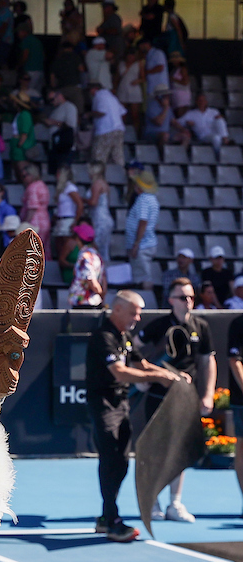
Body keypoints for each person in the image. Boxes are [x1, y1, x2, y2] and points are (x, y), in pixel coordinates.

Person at [87, 291, 186, 541]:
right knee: (111, 459)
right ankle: (111, 519)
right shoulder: (104, 336)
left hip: (121, 404)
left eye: (139, 312)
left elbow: (142, 364)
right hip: (103, 404)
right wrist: (159, 377)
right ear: (117, 310)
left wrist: (172, 375)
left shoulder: (124, 336)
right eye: (134, 312)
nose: (138, 318)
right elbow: (120, 372)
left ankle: (105, 516)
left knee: (121, 461)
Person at [138, 277, 217, 522]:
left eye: (192, 297)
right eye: (183, 297)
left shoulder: (201, 326)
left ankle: (175, 503)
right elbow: (134, 352)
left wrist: (207, 394)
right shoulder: (158, 325)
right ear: (171, 300)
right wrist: (148, 375)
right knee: (156, 450)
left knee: (179, 451)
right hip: (157, 396)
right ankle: (153, 503)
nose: (189, 302)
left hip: (186, 398)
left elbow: (207, 362)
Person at [125, 171, 160, 291]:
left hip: (142, 245)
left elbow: (143, 222)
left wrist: (136, 244)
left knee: (143, 278)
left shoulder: (143, 200)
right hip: (147, 243)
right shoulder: (152, 199)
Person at [68, 223, 105, 309]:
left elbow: (90, 280)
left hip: (84, 303)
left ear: (78, 239)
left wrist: (100, 293)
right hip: (90, 302)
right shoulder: (96, 255)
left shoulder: (85, 257)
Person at [19, 163, 51, 257]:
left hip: (34, 222)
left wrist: (25, 224)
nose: (24, 178)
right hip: (44, 220)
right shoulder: (42, 185)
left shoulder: (32, 187)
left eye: (26, 175)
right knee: (44, 248)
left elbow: (32, 208)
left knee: (33, 250)